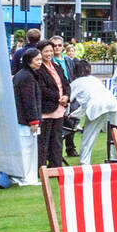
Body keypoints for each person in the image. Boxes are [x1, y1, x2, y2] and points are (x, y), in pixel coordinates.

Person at [66, 59, 117, 165]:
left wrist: (68, 114)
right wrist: (73, 114)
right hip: (112, 104)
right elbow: (87, 103)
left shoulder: (75, 83)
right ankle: (115, 159)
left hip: (97, 106)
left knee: (88, 136)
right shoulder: (94, 79)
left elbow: (68, 100)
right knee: (114, 134)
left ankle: (84, 162)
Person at [34, 39, 70, 170]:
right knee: (44, 141)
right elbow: (42, 88)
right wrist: (58, 97)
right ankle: (41, 167)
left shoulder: (57, 66)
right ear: (40, 53)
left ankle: (56, 166)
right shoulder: (38, 68)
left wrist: (66, 96)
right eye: (46, 51)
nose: (49, 53)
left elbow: (66, 84)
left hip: (59, 109)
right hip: (47, 109)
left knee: (57, 140)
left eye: (51, 50)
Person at [12, 47, 43, 186]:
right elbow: (29, 100)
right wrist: (33, 120)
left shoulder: (25, 74)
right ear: (29, 61)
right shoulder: (27, 77)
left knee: (27, 149)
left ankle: (26, 176)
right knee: (27, 149)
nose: (40, 62)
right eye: (37, 60)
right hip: (25, 121)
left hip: (23, 119)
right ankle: (27, 177)